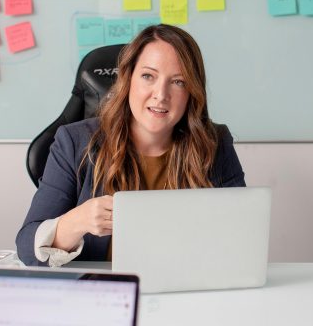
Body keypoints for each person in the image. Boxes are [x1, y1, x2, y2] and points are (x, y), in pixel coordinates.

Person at [16, 24, 246, 266]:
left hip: (184, 282)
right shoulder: (74, 141)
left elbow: (242, 235)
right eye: (148, 76)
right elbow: (27, 250)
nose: (161, 94)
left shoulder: (215, 143)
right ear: (128, 79)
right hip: (103, 285)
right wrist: (78, 221)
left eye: (178, 82)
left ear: (192, 91)